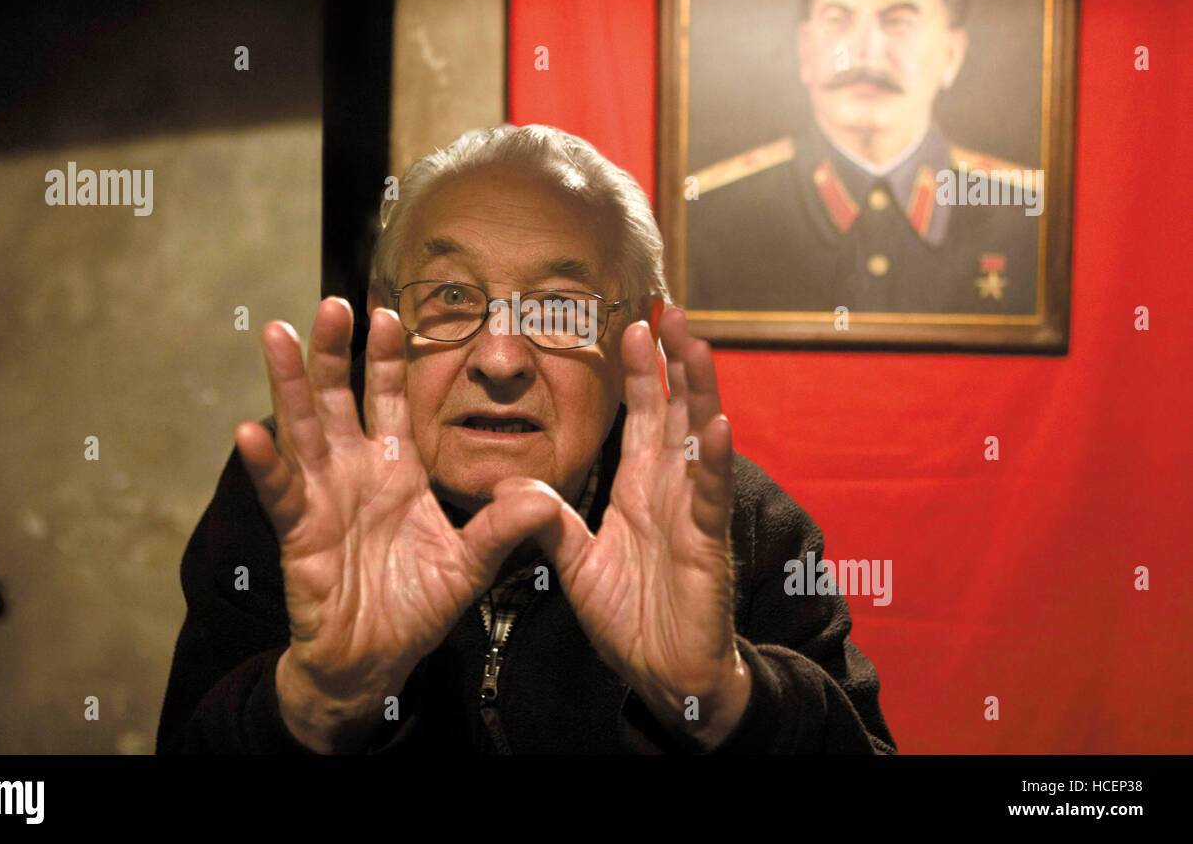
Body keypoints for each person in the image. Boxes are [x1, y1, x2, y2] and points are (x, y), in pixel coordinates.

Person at [157, 124, 896, 754]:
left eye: (560, 308)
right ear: (384, 314)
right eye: (451, 297)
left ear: (635, 333)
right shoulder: (297, 490)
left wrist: (726, 700)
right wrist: (312, 705)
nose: (501, 359)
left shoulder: (732, 520)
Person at [689, 0, 1039, 314]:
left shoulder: (1026, 216)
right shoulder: (711, 216)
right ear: (805, 51)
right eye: (838, 20)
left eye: (899, 22)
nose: (865, 51)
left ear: (951, 55)